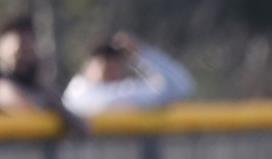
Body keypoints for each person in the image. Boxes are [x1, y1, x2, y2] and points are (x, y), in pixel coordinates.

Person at [62, 32, 194, 117]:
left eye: (115, 64)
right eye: (104, 63)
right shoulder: (77, 91)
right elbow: (91, 104)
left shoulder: (126, 90)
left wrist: (143, 54)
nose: (110, 70)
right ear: (88, 65)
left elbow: (181, 87)